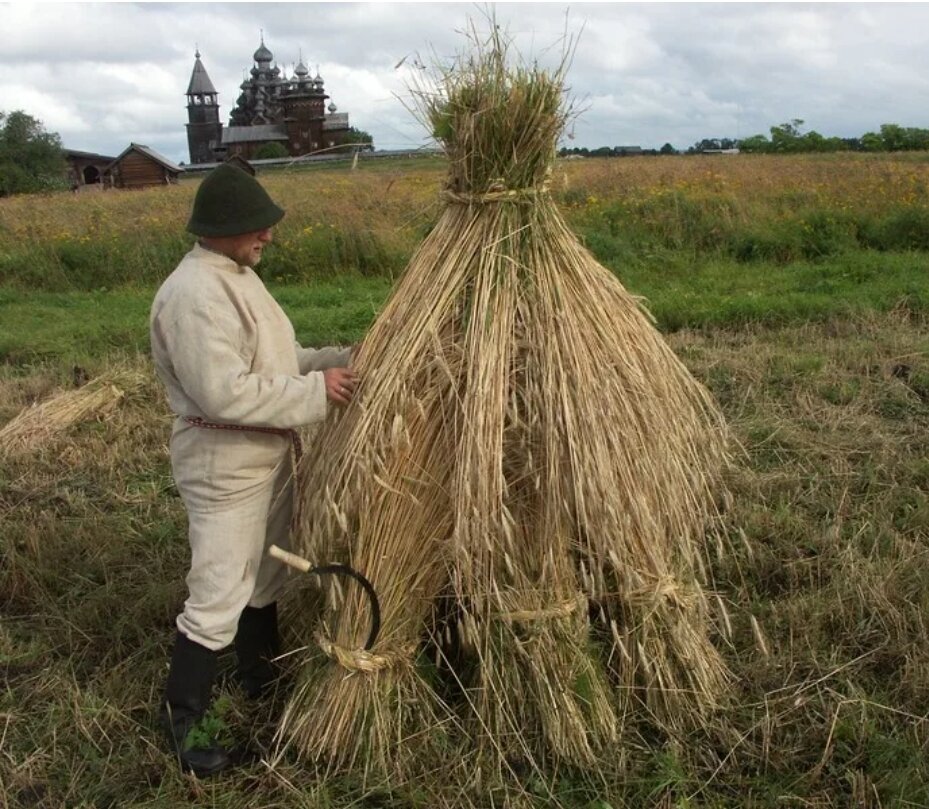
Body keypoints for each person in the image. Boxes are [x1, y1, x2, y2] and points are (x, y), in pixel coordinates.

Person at [149, 163, 358, 776]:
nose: (268, 236)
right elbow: (224, 393)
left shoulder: (238, 275)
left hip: (265, 450)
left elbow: (279, 359)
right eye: (257, 228)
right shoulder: (193, 295)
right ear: (224, 228)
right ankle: (186, 725)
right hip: (224, 461)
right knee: (219, 586)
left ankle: (259, 678)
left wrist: (342, 359)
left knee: (266, 569)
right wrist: (320, 392)